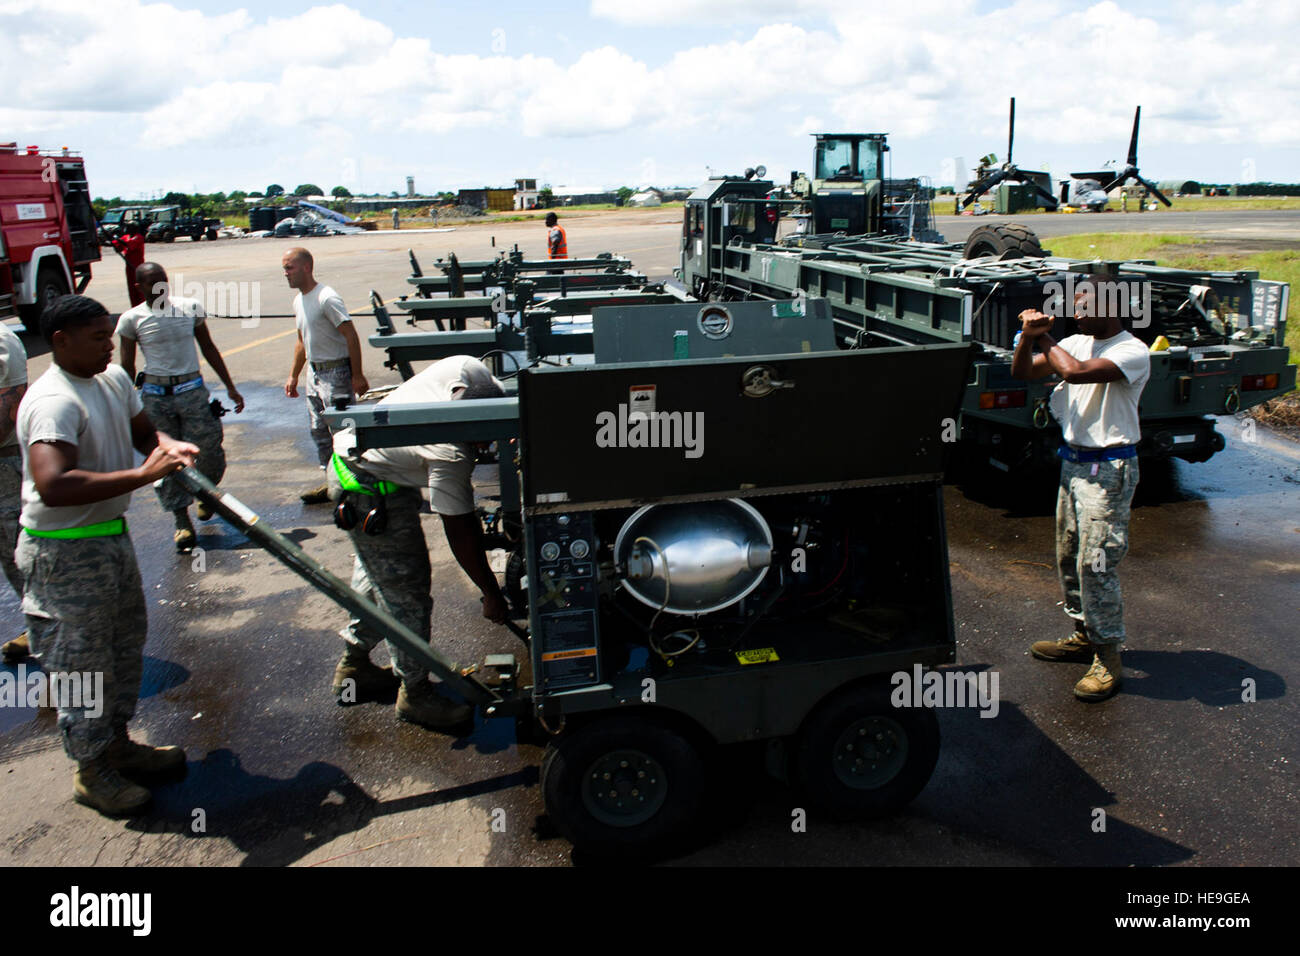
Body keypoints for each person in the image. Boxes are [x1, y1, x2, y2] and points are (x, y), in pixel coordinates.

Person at [16, 294, 198, 815]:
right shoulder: (54, 399)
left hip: (109, 538)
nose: (108, 346)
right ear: (60, 341)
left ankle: (116, 745)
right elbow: (53, 482)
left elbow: (145, 433)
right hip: (62, 556)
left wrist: (167, 447)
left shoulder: (113, 380)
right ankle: (91, 771)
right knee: (82, 667)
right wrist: (144, 476)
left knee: (121, 652)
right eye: (97, 337)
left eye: (107, 334)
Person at [327, 355, 509, 731]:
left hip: (370, 463)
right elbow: (461, 530)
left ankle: (354, 666)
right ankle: (414, 694)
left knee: (379, 580)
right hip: (367, 484)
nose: (484, 446)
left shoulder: (468, 370)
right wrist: (491, 593)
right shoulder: (449, 452)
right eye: (481, 439)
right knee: (406, 591)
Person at [1012, 275, 1150, 702]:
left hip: (1109, 471)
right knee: (1069, 556)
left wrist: (1044, 334)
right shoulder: (1074, 341)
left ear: (1113, 308)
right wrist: (1027, 339)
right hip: (1074, 464)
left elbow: (1072, 374)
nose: (1075, 311)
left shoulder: (1132, 351)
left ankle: (1108, 657)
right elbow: (1022, 372)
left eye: (1084, 304)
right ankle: (1083, 636)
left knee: (1097, 564)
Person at [117, 262, 245, 552]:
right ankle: (181, 521)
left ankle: (206, 495)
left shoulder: (190, 308)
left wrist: (230, 386)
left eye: (163, 280)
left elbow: (208, 347)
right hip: (155, 397)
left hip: (192, 392)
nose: (159, 286)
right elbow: (126, 365)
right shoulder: (131, 319)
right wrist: (124, 403)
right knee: (166, 460)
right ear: (139, 287)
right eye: (151, 282)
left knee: (211, 452)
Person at [282, 247, 369, 503]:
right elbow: (301, 341)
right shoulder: (299, 300)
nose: (286, 273)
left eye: (290, 268)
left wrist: (358, 375)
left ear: (306, 267)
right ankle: (331, 481)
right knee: (318, 431)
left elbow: (350, 335)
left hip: (336, 372)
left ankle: (354, 484)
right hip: (315, 372)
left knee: (342, 432)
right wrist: (293, 375)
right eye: (284, 268)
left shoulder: (326, 297)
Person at [0, 323, 29, 663]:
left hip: (6, 463)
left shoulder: (3, 342)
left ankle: (51, 635)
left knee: (18, 550)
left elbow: (8, 410)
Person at [106, 222, 147, 308]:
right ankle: (134, 306)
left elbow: (129, 244)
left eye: (128, 227)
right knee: (131, 288)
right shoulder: (126, 237)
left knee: (138, 289)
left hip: (137, 267)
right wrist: (109, 238)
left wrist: (117, 239)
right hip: (129, 267)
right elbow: (117, 245)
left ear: (134, 229)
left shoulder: (139, 238)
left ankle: (142, 305)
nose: (126, 229)